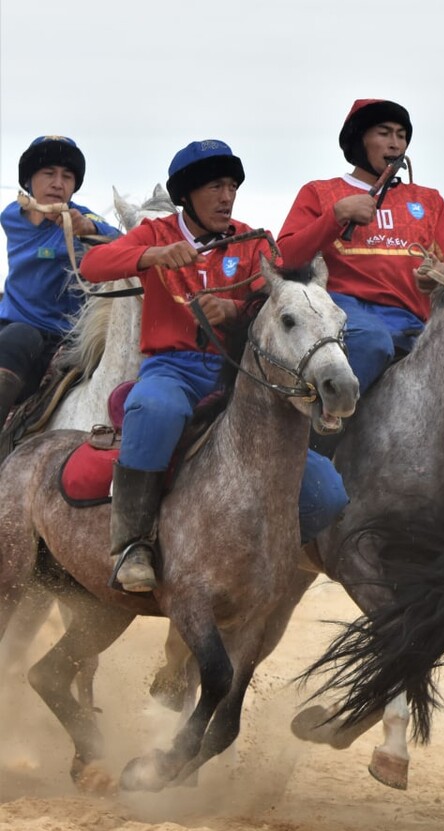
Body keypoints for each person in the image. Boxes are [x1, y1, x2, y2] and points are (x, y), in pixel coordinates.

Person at [79, 140, 348, 593]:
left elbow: (280, 288)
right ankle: (133, 544)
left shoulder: (252, 241)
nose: (227, 197)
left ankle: (259, 553)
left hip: (240, 377)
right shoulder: (158, 233)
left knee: (327, 493)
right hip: (173, 369)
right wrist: (151, 256)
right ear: (186, 195)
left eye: (232, 186)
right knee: (154, 410)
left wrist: (236, 309)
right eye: (214, 187)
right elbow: (93, 264)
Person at [276, 98, 444, 480]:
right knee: (373, 341)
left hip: (414, 324)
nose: (395, 143)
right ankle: (305, 463)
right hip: (346, 312)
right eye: (384, 133)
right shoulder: (321, 193)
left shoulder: (428, 200)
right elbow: (285, 258)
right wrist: (336, 215)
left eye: (402, 135)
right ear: (359, 140)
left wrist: (440, 272)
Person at [1, 136, 121, 424]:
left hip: (68, 338)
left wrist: (88, 227)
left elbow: (120, 240)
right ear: (28, 181)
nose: (58, 183)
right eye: (48, 174)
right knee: (20, 337)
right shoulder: (11, 215)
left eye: (67, 176)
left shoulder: (79, 217)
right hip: (18, 330)